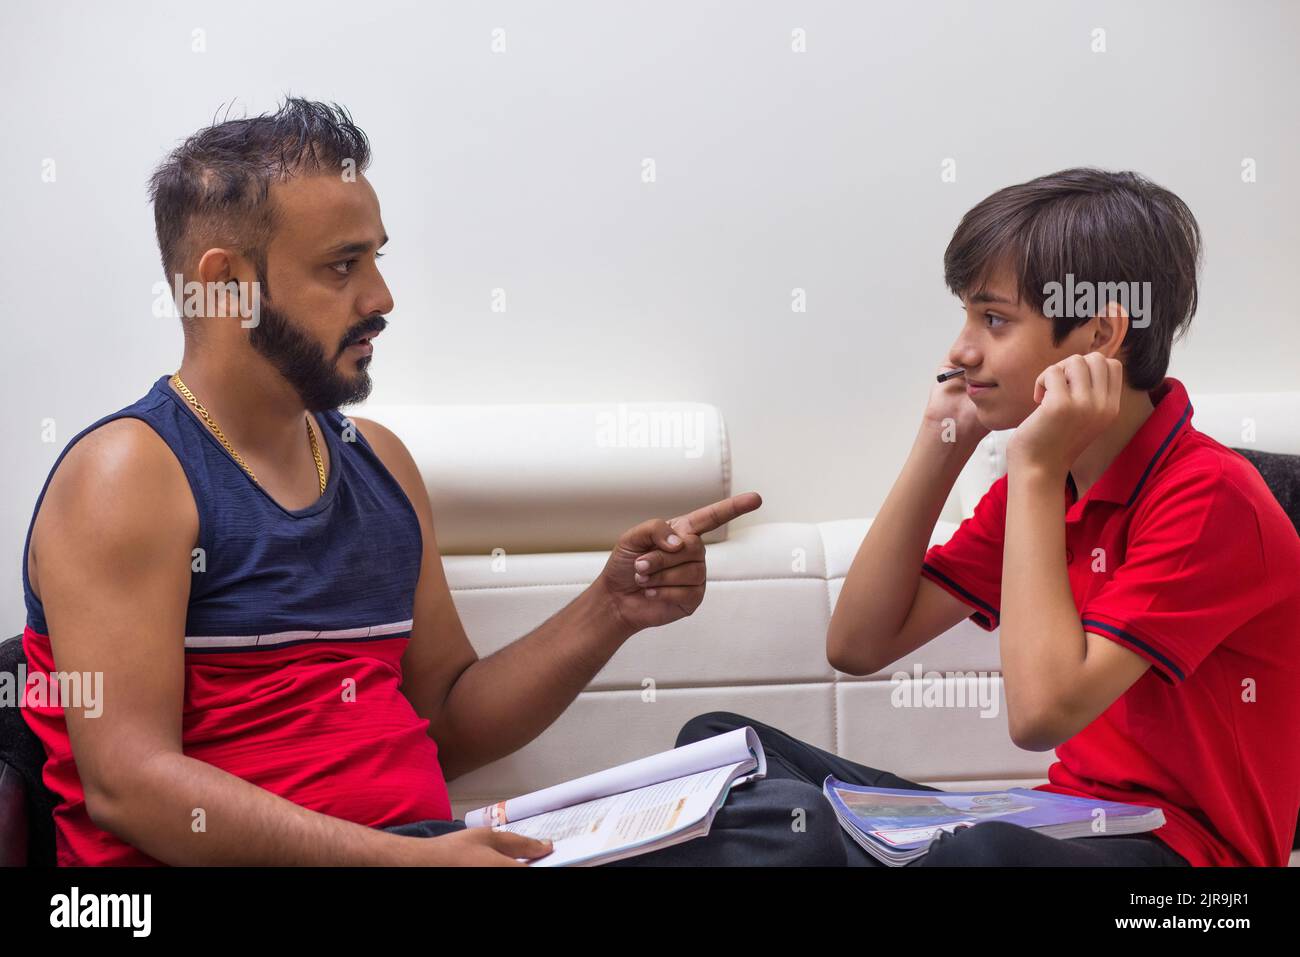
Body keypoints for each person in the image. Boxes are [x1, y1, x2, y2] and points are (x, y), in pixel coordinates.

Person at [19, 97, 774, 866]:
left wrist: (612, 607)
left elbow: (447, 720)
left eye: (377, 259)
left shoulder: (377, 461)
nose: (381, 298)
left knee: (772, 820)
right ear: (228, 283)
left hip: (416, 851)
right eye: (343, 266)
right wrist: (406, 862)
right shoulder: (129, 475)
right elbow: (129, 782)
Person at [678, 168, 1300, 866]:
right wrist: (941, 441)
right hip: (1065, 828)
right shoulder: (1054, 482)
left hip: (1186, 876)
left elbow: (1041, 715)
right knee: (720, 751)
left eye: (994, 319)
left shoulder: (1210, 498)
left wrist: (1032, 466)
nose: (960, 350)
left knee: (981, 857)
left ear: (1100, 333)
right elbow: (857, 643)